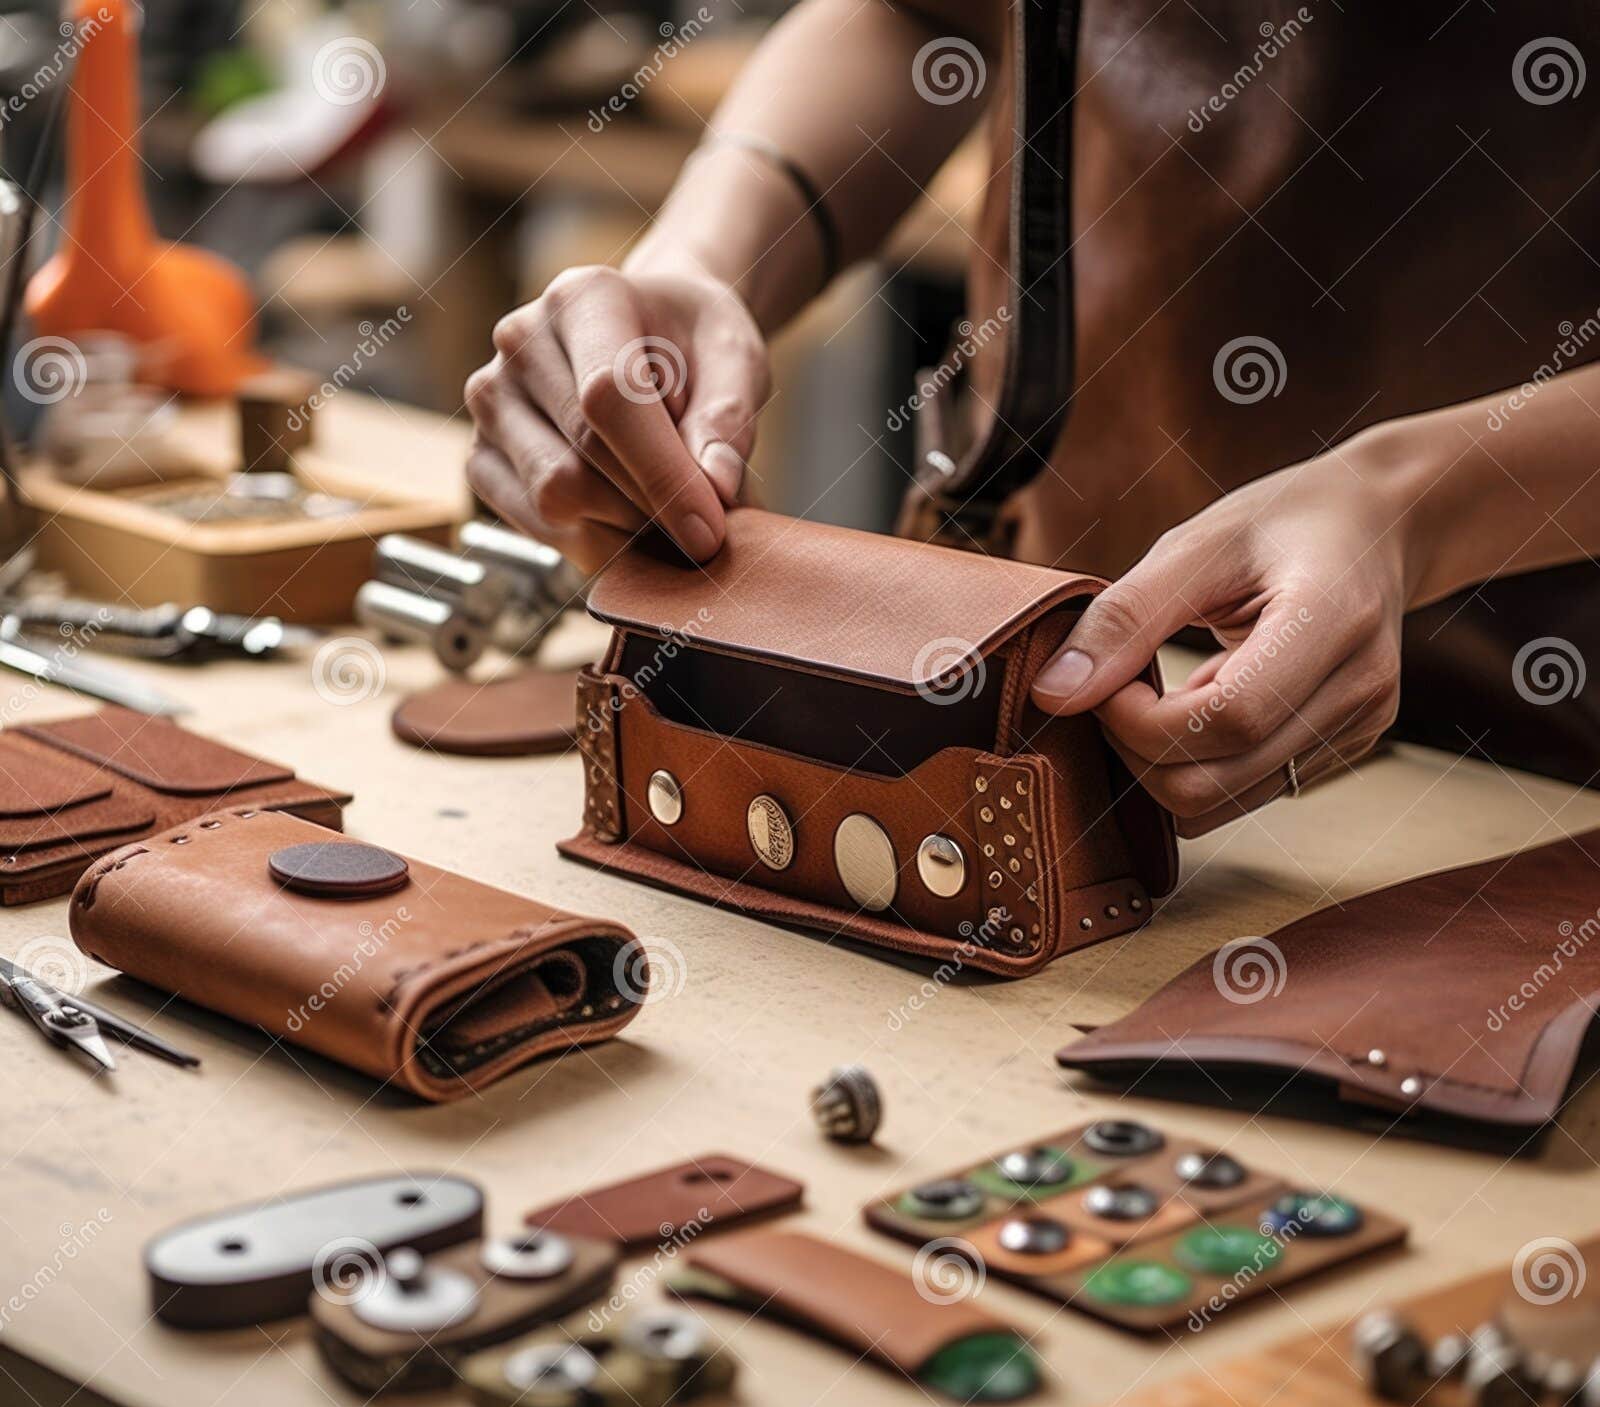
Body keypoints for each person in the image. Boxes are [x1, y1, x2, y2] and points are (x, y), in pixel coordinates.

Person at [466, 1, 1600, 835]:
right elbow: (917, 21)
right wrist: (705, 256)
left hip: (1527, 762)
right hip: (1039, 692)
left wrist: (1416, 506)